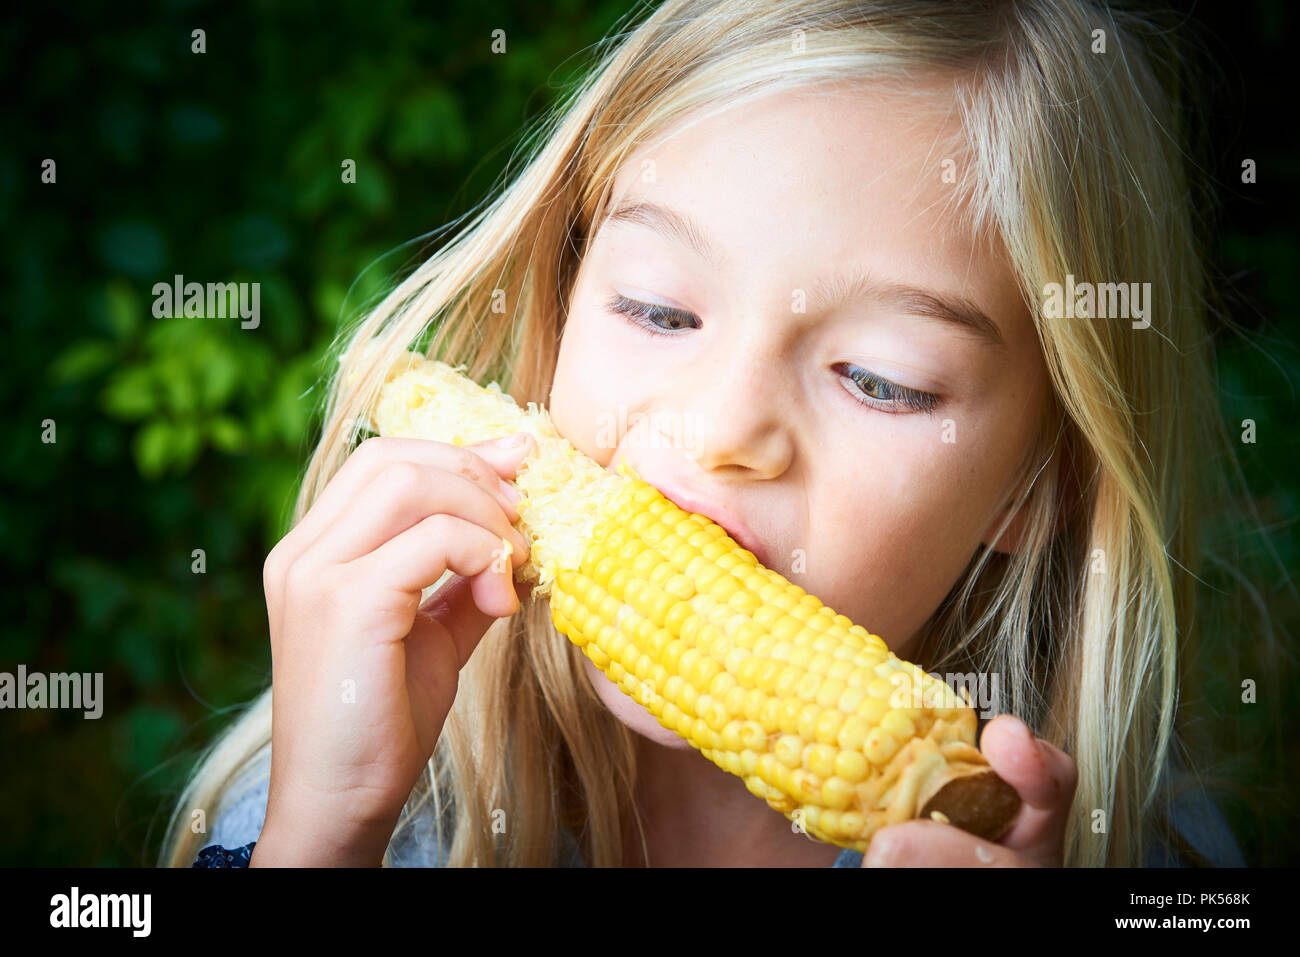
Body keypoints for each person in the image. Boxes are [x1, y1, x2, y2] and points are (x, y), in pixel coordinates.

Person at [163, 0, 1271, 868]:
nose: (723, 427)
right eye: (658, 310)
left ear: (1039, 486)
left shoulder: (1147, 856)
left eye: (881, 379)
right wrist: (316, 845)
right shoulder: (361, 782)